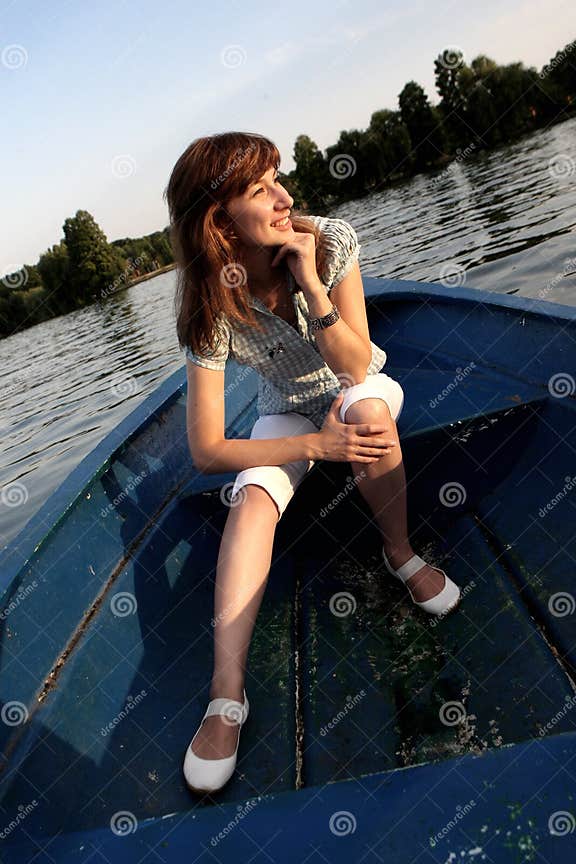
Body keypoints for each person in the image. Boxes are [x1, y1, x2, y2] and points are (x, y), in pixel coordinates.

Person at [164, 131, 461, 795]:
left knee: (369, 410)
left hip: (359, 385)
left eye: (280, 178)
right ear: (219, 219)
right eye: (261, 188)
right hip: (292, 411)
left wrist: (309, 282)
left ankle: (400, 552)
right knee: (253, 496)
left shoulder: (330, 239)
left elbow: (357, 366)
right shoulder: (212, 308)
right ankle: (225, 696)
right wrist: (310, 448)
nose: (285, 196)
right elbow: (207, 449)